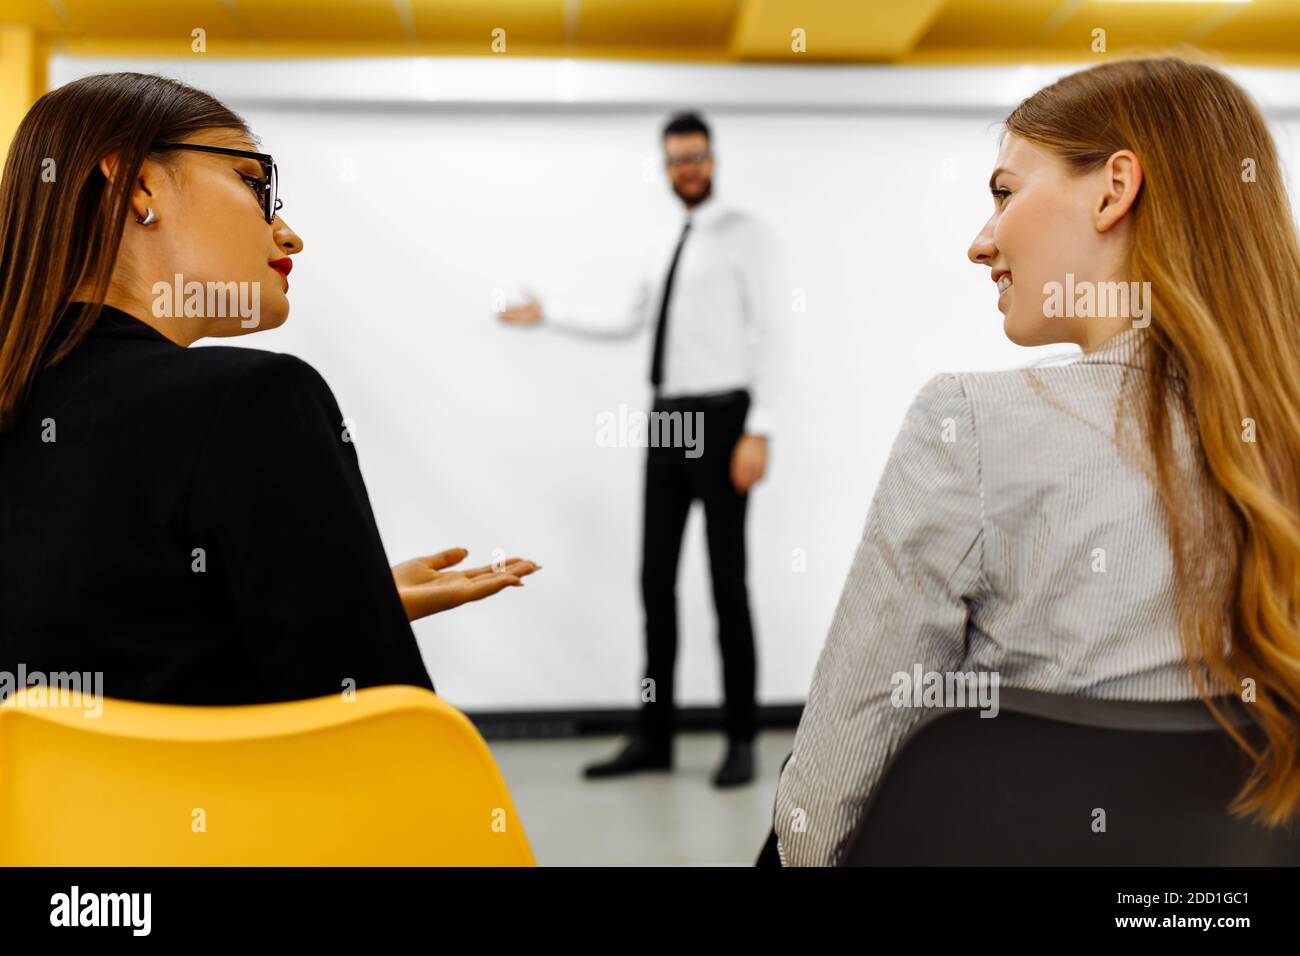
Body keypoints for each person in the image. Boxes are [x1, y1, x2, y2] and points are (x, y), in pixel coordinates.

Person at [774, 56, 1300, 865]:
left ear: (1113, 189)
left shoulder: (969, 427)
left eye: (1005, 192)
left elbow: (819, 815)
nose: (980, 243)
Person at [0, 72, 537, 706]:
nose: (287, 235)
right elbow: (382, 745)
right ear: (140, 185)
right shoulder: (256, 399)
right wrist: (360, 630)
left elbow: (96, 659)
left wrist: (338, 607)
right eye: (256, 185)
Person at [498, 112, 781, 787]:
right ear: (665, 166)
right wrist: (551, 316)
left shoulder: (745, 235)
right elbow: (631, 323)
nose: (687, 168)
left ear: (713, 160)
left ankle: (740, 739)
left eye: (696, 156)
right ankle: (655, 736)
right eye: (675, 158)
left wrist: (760, 429)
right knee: (655, 581)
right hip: (666, 418)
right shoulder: (663, 241)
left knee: (726, 583)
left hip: (724, 416)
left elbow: (771, 332)